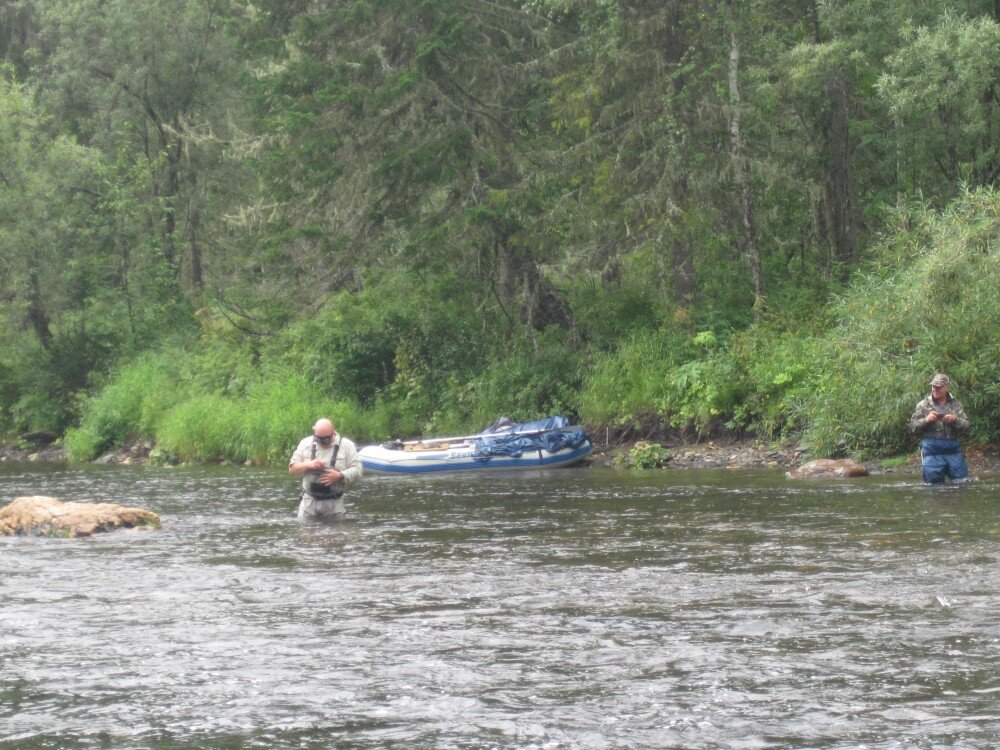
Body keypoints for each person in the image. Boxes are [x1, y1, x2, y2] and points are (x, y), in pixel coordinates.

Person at [289, 418, 363, 519]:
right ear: (315, 434)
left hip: (335, 504)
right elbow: (292, 469)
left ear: (332, 433)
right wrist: (308, 465)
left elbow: (358, 470)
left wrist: (340, 475)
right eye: (319, 439)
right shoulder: (305, 443)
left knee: (336, 534)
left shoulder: (347, 445)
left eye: (326, 439)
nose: (323, 442)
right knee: (305, 533)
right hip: (308, 503)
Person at [910, 373, 970, 484]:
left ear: (947, 388)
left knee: (962, 482)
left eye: (939, 387)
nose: (935, 389)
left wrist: (955, 420)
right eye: (933, 386)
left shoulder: (956, 404)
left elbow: (966, 426)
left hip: (953, 449)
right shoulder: (923, 405)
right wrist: (926, 420)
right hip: (931, 450)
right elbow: (913, 427)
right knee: (934, 486)